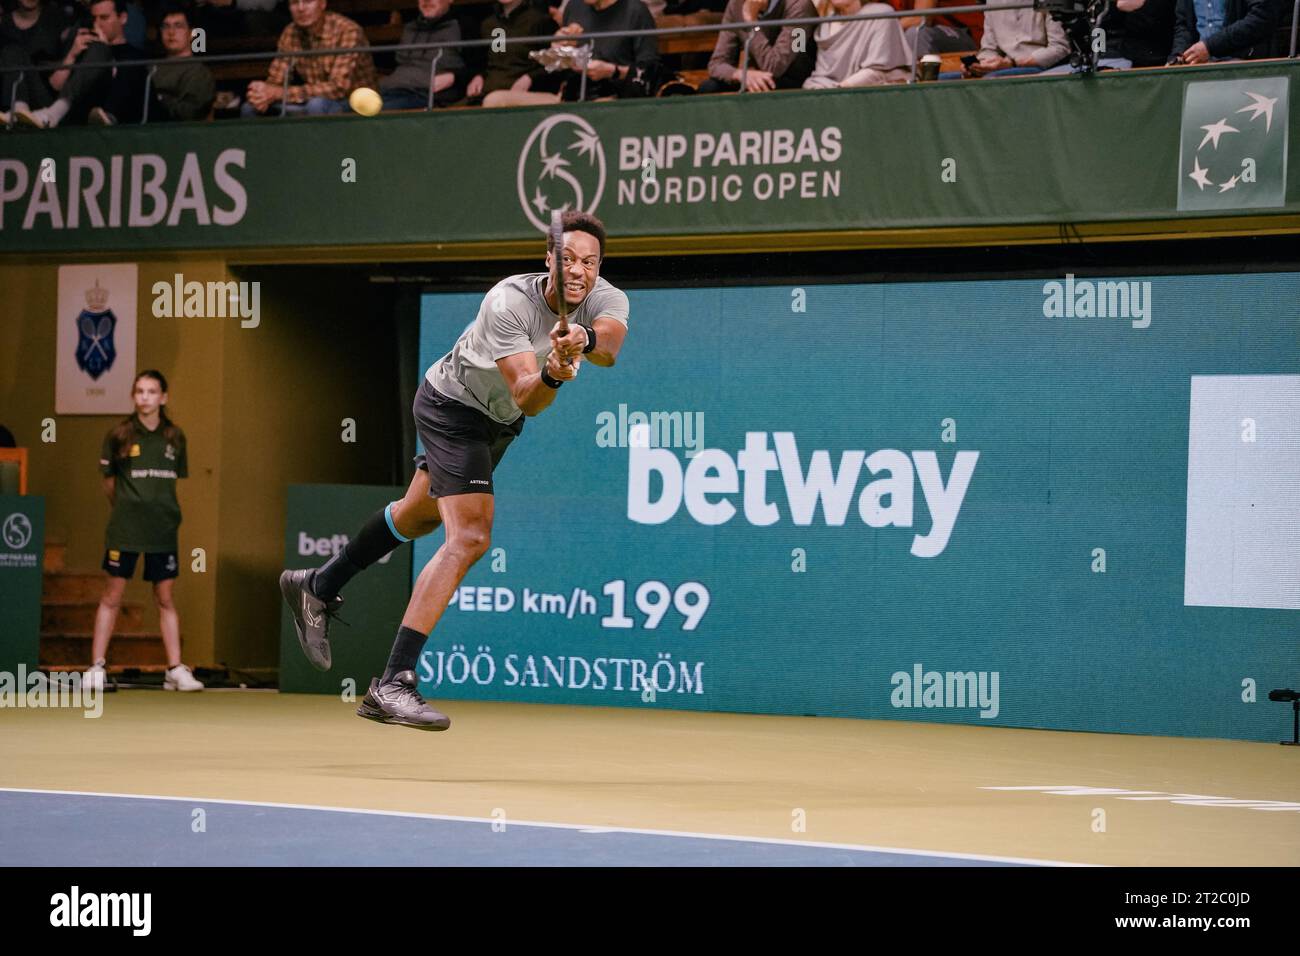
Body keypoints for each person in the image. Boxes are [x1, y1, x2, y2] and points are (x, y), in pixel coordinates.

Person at [281, 211, 629, 731]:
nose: (579, 270)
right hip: (453, 406)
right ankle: (393, 682)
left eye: (590, 262)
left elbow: (611, 344)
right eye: (569, 259)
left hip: (497, 424)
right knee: (469, 537)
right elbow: (527, 398)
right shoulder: (507, 303)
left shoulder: (607, 296)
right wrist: (554, 374)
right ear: (549, 259)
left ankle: (318, 582)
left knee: (416, 518)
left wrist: (581, 339)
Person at [87, 370, 203, 693]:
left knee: (165, 597)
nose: (145, 397)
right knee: (112, 596)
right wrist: (128, 508)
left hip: (163, 530)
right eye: (139, 391)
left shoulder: (175, 438)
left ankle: (175, 670)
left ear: (163, 397)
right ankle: (96, 667)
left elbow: (172, 482)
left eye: (152, 391)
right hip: (124, 529)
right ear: (133, 396)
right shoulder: (119, 435)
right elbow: (109, 484)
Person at [483, 0, 658, 106]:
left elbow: (650, 71)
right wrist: (557, 50)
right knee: (494, 101)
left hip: (611, 96)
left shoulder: (635, 11)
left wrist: (613, 70)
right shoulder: (575, 7)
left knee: (595, 110)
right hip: (569, 96)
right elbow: (558, 65)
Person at [11, 0, 147, 128]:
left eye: (104, 18)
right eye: (94, 18)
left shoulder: (132, 55)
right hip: (54, 111)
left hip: (90, 114)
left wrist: (103, 50)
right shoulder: (82, 44)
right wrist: (72, 55)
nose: (98, 24)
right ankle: (17, 113)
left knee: (99, 49)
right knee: (13, 51)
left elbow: (119, 99)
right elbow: (54, 86)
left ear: (122, 18)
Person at [241, 0, 377, 117]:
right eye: (295, 2)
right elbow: (276, 80)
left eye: (308, 1)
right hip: (309, 98)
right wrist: (261, 93)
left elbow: (338, 88)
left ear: (322, 4)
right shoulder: (290, 32)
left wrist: (279, 93)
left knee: (316, 105)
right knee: (250, 108)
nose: (301, 8)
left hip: (354, 102)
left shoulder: (347, 31)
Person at [700, 0, 816, 94]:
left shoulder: (800, 6)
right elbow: (716, 63)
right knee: (708, 87)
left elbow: (775, 67)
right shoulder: (736, 4)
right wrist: (741, 74)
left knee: (758, 90)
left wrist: (752, 23)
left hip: (791, 78)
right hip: (753, 75)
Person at [462, 0, 562, 106]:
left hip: (521, 94)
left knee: (492, 101)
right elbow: (483, 62)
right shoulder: (488, 23)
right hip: (485, 92)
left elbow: (555, 64)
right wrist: (479, 76)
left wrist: (530, 78)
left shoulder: (540, 21)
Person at [380, 0, 469, 110]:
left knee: (379, 110)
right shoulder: (410, 28)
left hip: (426, 95)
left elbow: (478, 65)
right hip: (392, 89)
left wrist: (456, 77)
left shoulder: (462, 26)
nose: (426, 1)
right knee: (353, 108)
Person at [803, 0, 910, 88]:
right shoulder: (826, 25)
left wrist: (841, 89)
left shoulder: (881, 14)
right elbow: (821, 76)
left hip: (868, 93)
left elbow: (879, 70)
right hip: (830, 92)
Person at [0, 0, 72, 115]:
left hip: (45, 99)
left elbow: (70, 57)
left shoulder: (56, 19)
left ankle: (19, 110)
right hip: (8, 99)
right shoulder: (4, 22)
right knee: (11, 51)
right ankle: (19, 109)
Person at [146, 3, 215, 122]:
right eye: (166, 26)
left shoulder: (199, 72)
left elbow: (190, 112)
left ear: (192, 33)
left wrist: (158, 99)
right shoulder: (150, 67)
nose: (171, 32)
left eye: (178, 26)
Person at [963, 2, 1067, 77]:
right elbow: (989, 49)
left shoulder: (1050, 2)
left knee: (990, 79)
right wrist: (979, 65)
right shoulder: (992, 2)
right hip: (1005, 66)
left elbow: (1060, 48)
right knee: (948, 79)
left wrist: (1013, 63)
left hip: (1040, 65)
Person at [1169, 0, 1276, 63]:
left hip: (1244, 66)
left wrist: (1209, 47)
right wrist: (1178, 56)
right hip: (1200, 69)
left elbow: (1260, 18)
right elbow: (1184, 25)